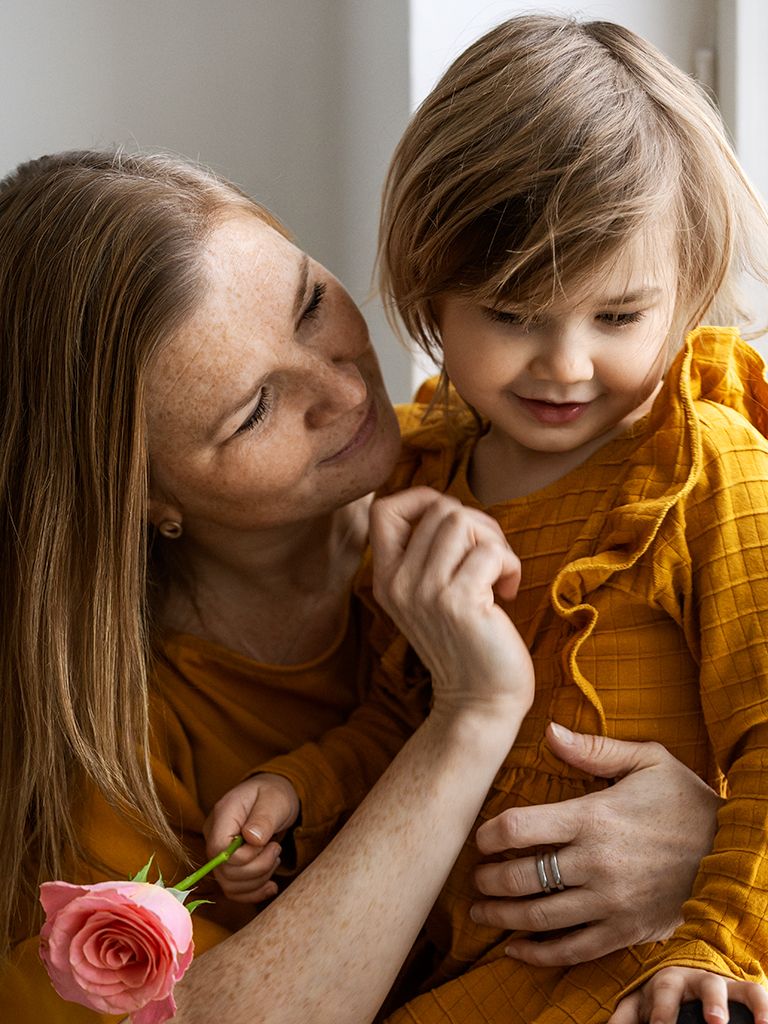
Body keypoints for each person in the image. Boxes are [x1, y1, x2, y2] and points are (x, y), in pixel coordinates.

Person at [0, 146, 723, 1024]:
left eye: (309, 304)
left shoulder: (504, 452)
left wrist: (709, 843)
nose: (343, 389)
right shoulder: (101, 735)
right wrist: (471, 712)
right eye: (256, 408)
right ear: (144, 496)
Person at [207, 14, 768, 1024]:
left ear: (685, 290)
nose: (565, 364)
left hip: (647, 965)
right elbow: (405, 716)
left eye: (617, 316)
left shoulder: (706, 471)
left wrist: (716, 936)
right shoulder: (429, 479)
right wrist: (301, 793)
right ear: (431, 293)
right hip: (472, 978)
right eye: (512, 316)